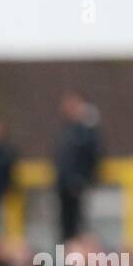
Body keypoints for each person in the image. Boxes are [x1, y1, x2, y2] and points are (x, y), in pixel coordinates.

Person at [54, 91, 101, 240]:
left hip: (77, 184)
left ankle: (79, 255)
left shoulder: (85, 130)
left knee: (77, 225)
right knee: (65, 225)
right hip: (64, 185)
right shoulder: (67, 129)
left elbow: (93, 155)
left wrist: (81, 178)